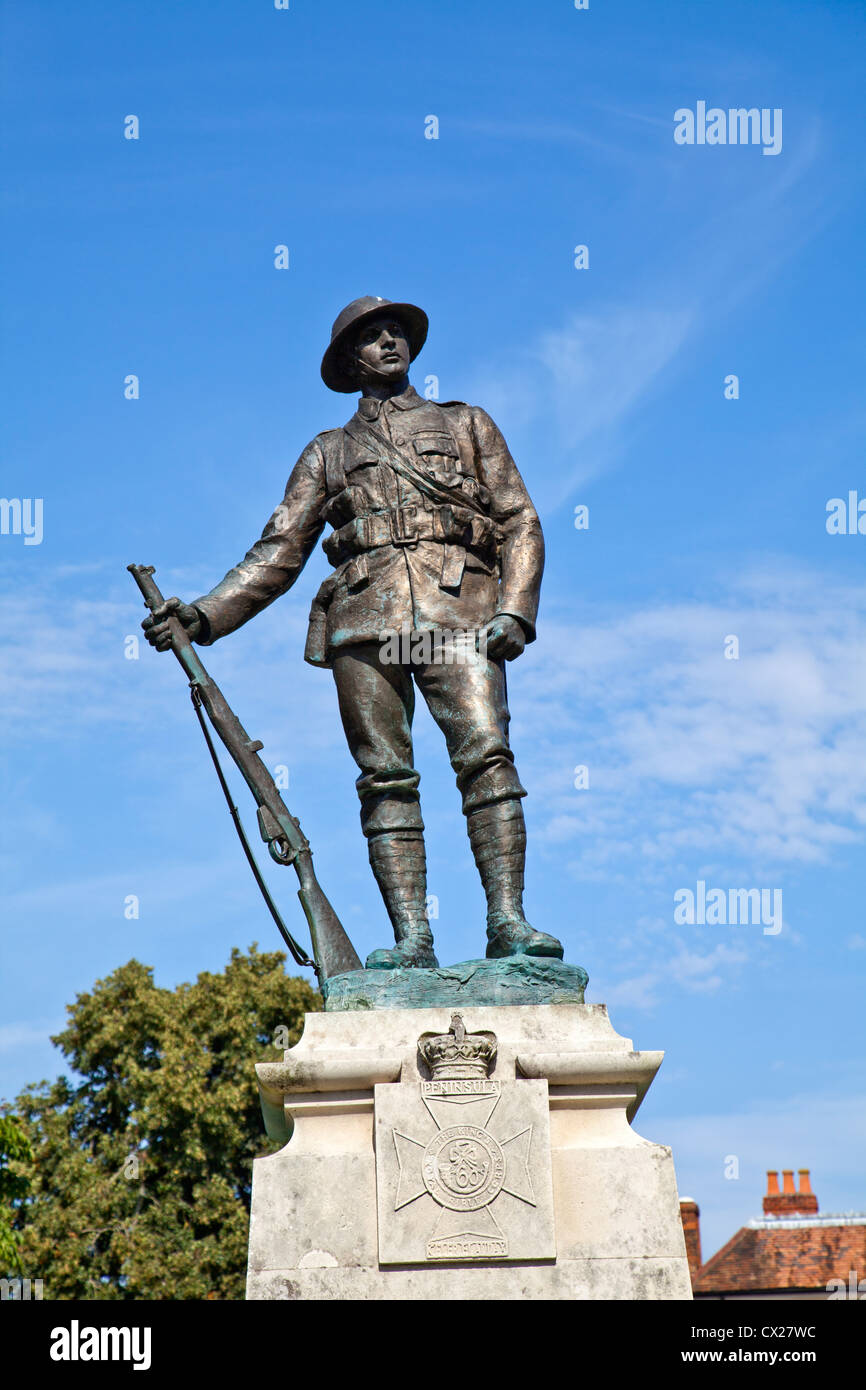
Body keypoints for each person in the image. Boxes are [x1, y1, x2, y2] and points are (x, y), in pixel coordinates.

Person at [144, 296, 563, 969]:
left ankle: (508, 922)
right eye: (372, 336)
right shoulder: (328, 451)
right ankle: (412, 939)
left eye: (396, 331)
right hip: (367, 622)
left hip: (458, 612)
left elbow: (520, 521)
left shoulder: (467, 423)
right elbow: (279, 551)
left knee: (487, 756)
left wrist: (515, 609)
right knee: (385, 778)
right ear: (350, 360)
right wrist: (204, 614)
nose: (389, 341)